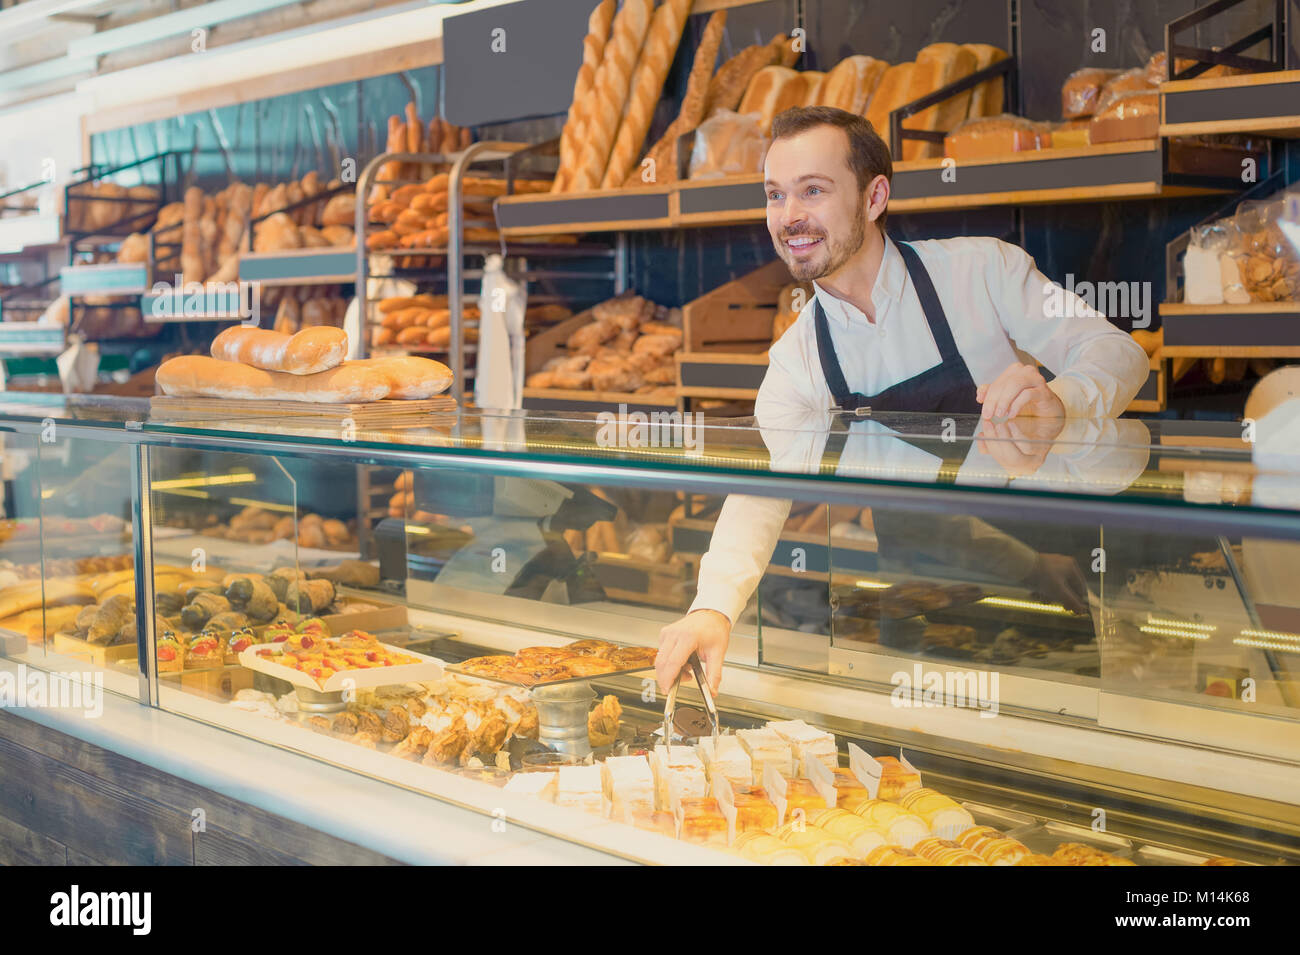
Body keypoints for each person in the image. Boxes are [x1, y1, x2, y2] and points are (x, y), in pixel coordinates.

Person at [654, 106, 1149, 694]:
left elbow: (1117, 352)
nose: (790, 216)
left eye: (813, 190)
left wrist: (1060, 400)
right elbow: (763, 491)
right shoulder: (797, 361)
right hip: (921, 616)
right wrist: (712, 608)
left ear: (874, 196)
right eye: (775, 196)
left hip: (1052, 596)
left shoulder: (981, 272)